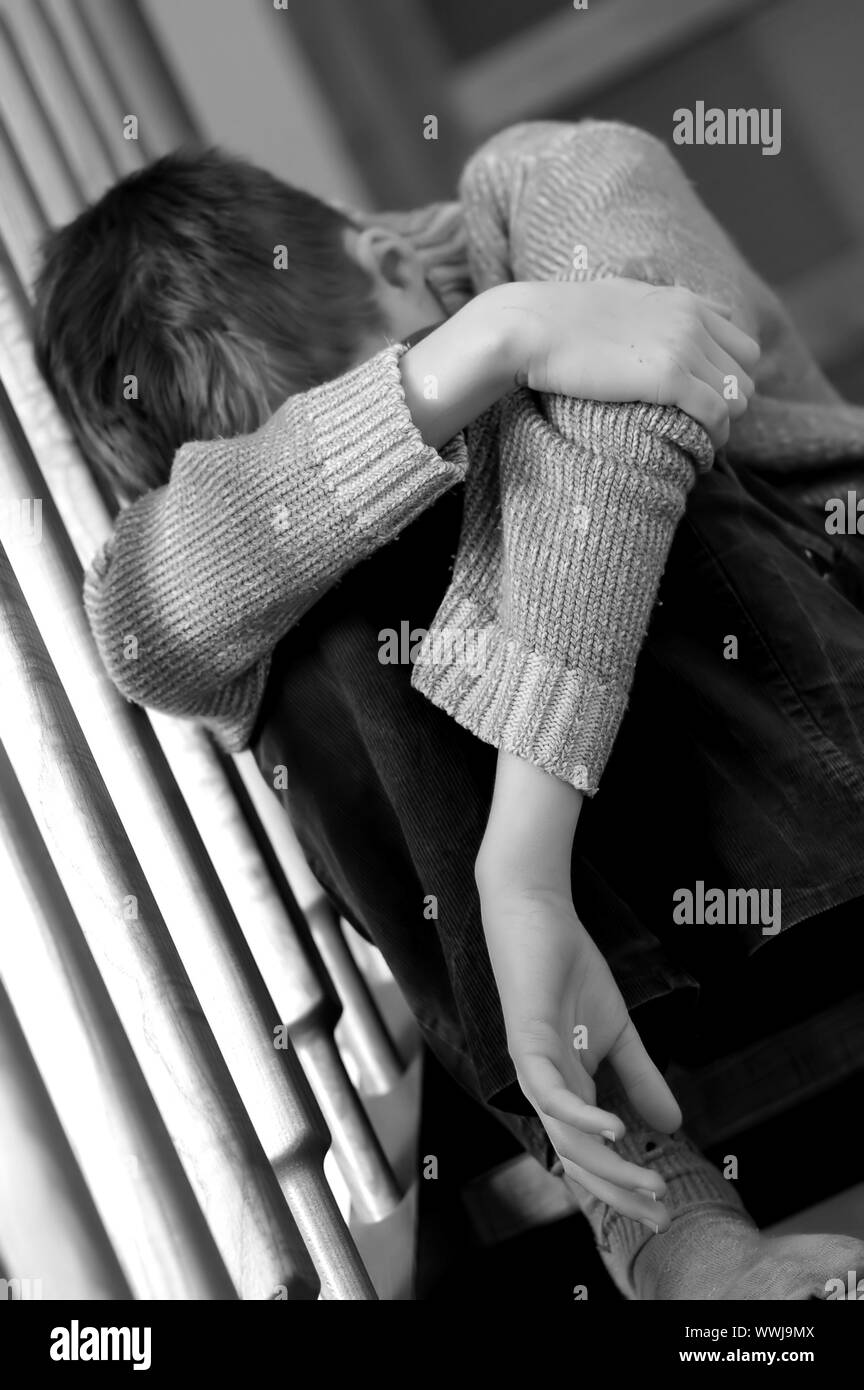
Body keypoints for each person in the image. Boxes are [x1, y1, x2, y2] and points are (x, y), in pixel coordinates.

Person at [34, 120, 864, 1298]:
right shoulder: (200, 570)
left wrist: (521, 862)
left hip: (812, 744)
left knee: (594, 418)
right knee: (322, 627)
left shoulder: (544, 179)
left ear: (391, 261)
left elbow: (647, 389)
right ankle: (677, 1230)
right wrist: (477, 352)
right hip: (594, 968)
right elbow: (144, 619)